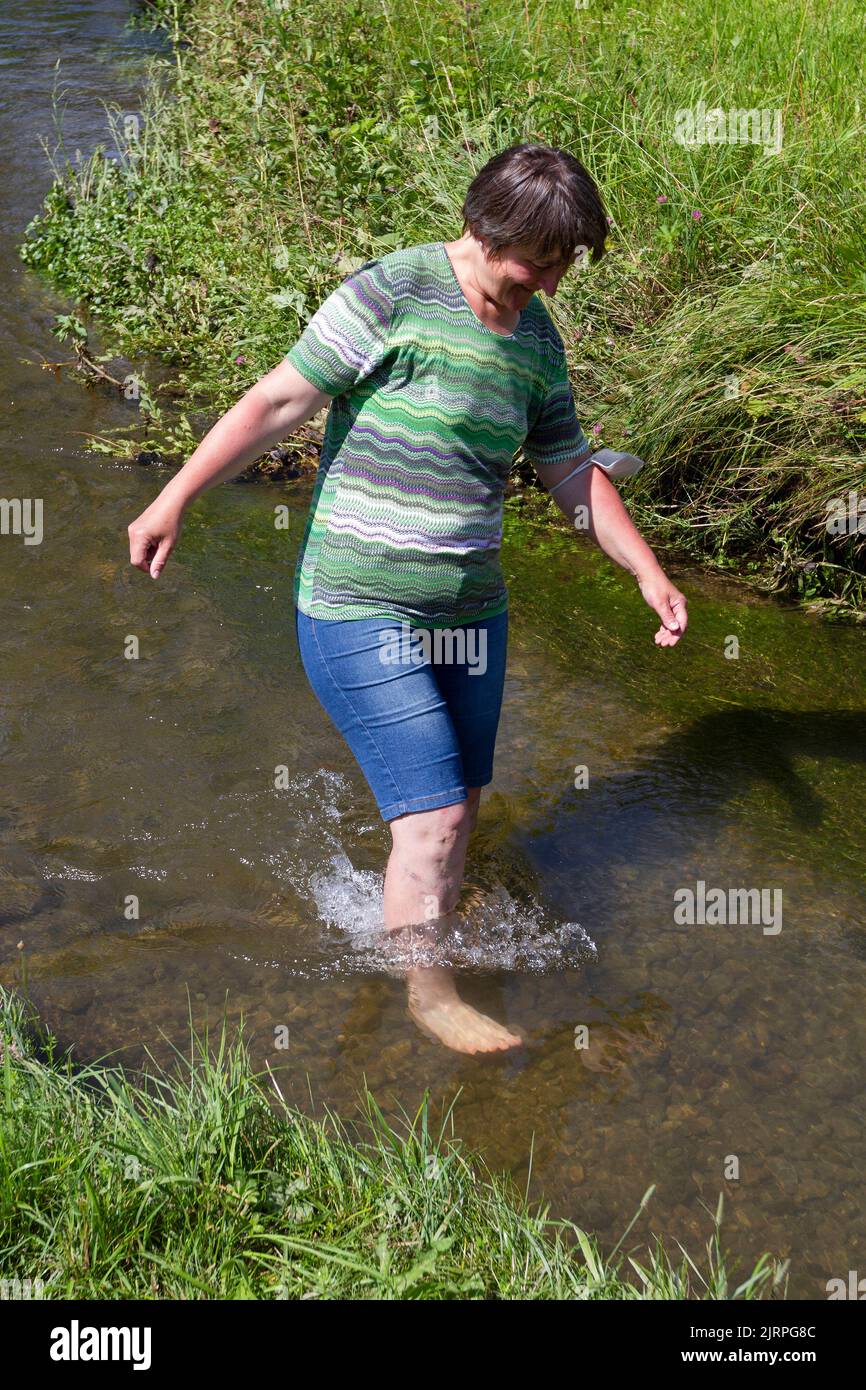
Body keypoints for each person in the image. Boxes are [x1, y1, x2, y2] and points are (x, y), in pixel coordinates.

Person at [127, 142, 688, 1055]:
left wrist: (647, 571)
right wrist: (174, 496)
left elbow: (569, 471)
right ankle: (428, 996)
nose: (545, 281)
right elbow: (277, 403)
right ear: (483, 225)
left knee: (459, 802)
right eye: (533, 260)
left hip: (472, 611)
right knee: (433, 818)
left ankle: (423, 920)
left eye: (562, 264)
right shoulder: (395, 292)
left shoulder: (537, 340)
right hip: (357, 602)